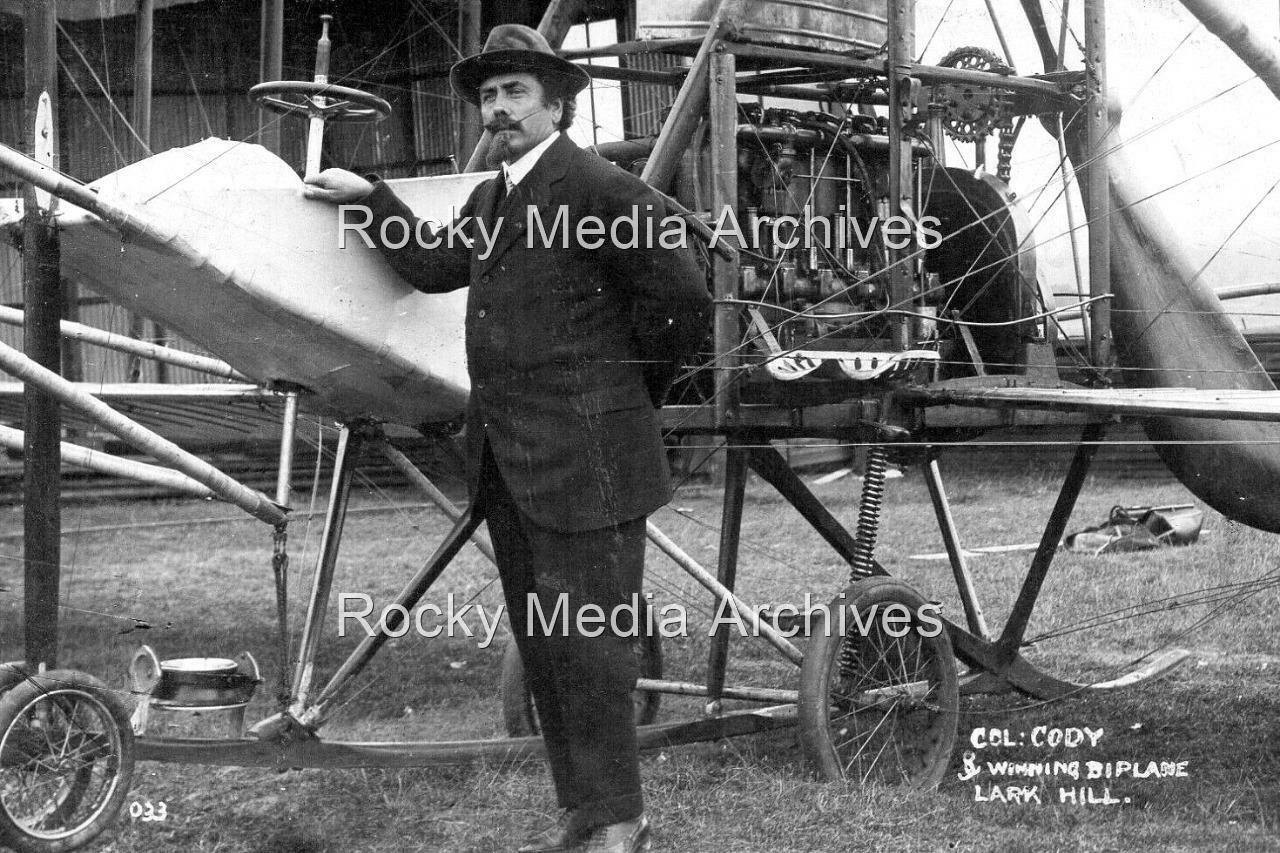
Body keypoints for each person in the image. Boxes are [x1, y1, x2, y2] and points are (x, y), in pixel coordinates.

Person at [304, 23, 710, 853]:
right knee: (548, 646)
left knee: (595, 652)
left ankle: (623, 819)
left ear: (556, 104)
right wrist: (365, 195)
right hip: (507, 466)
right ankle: (587, 808)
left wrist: (623, 401)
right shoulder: (491, 197)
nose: (500, 110)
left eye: (516, 92)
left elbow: (682, 310)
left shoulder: (605, 191)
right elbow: (431, 264)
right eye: (489, 96)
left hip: (589, 464)